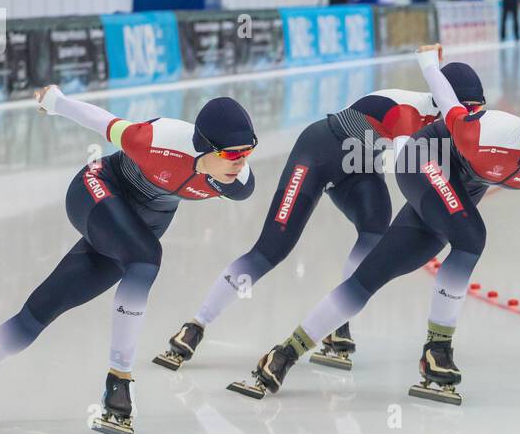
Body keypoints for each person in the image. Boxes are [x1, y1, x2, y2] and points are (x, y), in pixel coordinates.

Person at [0, 88, 258, 434]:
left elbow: (234, 171)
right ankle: (119, 381)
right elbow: (102, 121)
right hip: (98, 189)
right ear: (203, 146)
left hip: (135, 230)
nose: (240, 163)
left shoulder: (238, 183)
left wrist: (233, 166)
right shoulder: (155, 140)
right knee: (146, 258)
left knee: (38, 313)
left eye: (248, 151)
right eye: (231, 154)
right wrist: (57, 101)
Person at [232, 45, 520, 404]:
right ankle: (438, 349)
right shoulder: (481, 134)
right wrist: (429, 63)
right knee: (471, 237)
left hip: (452, 188)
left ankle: (284, 353)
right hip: (420, 160)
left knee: (371, 274)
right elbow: (449, 102)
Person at [155, 63, 487, 373]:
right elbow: (407, 168)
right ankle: (196, 324)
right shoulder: (408, 113)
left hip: (360, 166)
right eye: (465, 108)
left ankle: (337, 325)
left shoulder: (449, 127)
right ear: (442, 100)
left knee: (375, 230)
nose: (471, 118)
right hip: (317, 154)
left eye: (477, 110)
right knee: (272, 249)